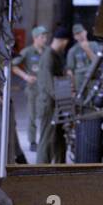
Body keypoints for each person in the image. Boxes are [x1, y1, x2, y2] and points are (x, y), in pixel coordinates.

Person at [34, 26, 71, 164]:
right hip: (48, 105)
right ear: (64, 41)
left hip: (55, 104)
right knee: (47, 140)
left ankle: (60, 167)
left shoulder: (55, 55)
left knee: (59, 138)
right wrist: (63, 99)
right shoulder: (48, 56)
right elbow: (48, 83)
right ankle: (41, 170)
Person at [11, 24, 48, 151]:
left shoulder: (48, 52)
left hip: (47, 90)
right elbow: (13, 65)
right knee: (32, 116)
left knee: (45, 116)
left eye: (45, 36)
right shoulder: (27, 52)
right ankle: (33, 142)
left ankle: (44, 141)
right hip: (33, 89)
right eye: (42, 37)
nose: (45, 39)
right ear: (35, 38)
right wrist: (25, 77)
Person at [66, 22, 103, 98]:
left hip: (93, 78)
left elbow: (98, 63)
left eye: (81, 32)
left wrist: (87, 50)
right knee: (80, 101)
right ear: (75, 37)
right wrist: (72, 87)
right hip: (79, 80)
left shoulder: (94, 45)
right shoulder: (73, 51)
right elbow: (70, 70)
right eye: (77, 34)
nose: (80, 36)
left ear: (85, 32)